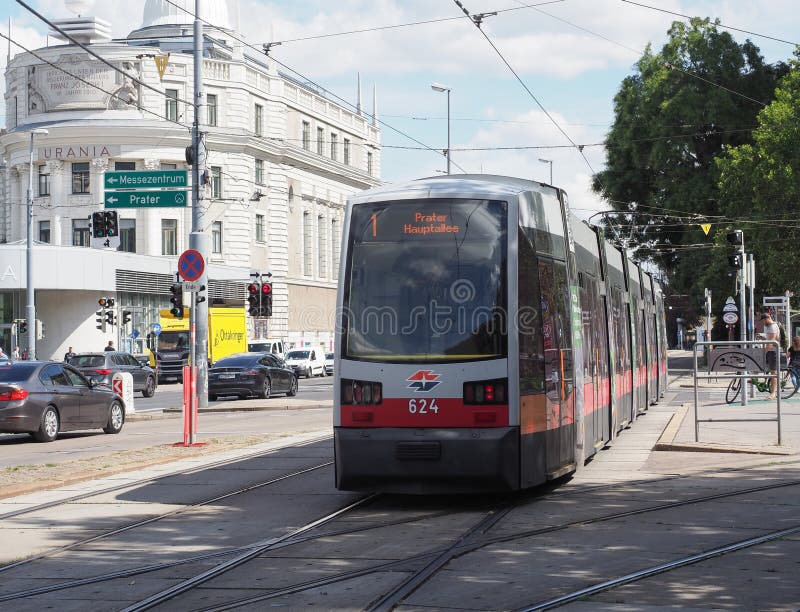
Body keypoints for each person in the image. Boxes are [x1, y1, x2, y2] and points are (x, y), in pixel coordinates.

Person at [760, 312, 780, 399]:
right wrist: (763, 337)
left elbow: (771, 342)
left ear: (767, 318)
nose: (763, 323)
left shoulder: (773, 326)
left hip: (773, 351)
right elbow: (768, 338)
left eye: (763, 321)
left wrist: (763, 353)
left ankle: (773, 393)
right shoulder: (767, 326)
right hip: (769, 351)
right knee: (759, 365)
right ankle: (754, 378)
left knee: (773, 373)